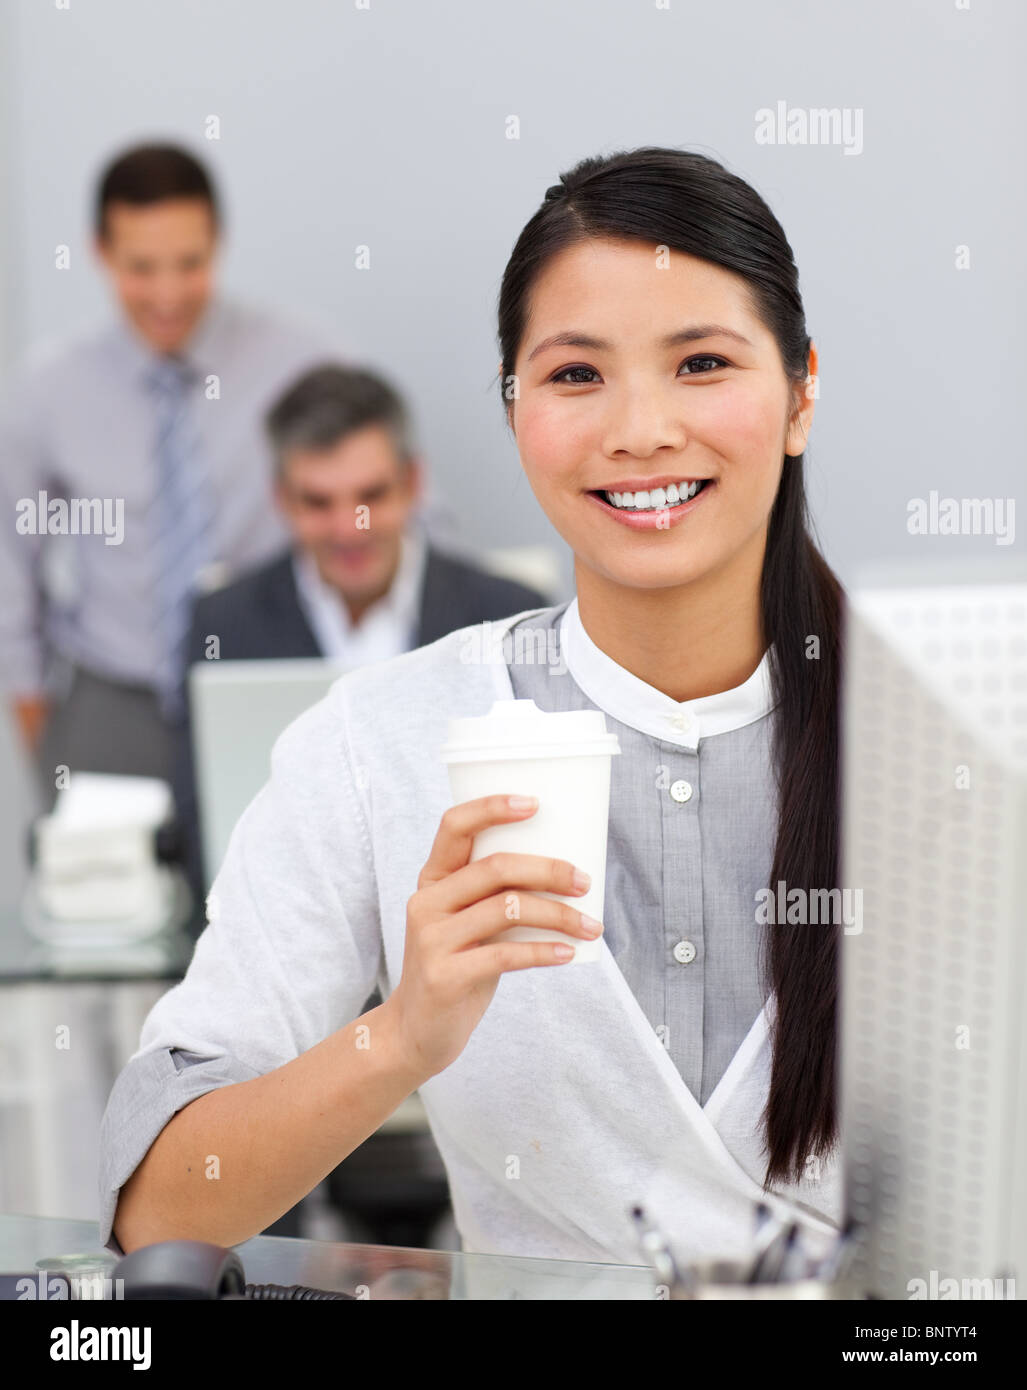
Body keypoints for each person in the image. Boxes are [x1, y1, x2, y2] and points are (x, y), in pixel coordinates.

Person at [100, 146, 844, 1272]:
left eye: (700, 361)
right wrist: (396, 1040)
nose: (639, 429)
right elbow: (160, 1208)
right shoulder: (378, 740)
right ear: (511, 409)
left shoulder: (951, 736)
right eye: (575, 375)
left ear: (798, 392)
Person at [0, 142, 343, 796]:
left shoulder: (303, 360)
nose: (167, 294)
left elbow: (393, 512)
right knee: (100, 894)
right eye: (141, 267)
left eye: (190, 264)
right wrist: (44, 731)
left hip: (268, 681)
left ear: (219, 243)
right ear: (99, 252)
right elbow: (10, 572)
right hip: (115, 695)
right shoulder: (48, 390)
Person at [174, 361, 551, 901]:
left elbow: (535, 813)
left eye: (371, 496)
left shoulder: (507, 613)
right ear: (282, 499)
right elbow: (200, 823)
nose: (350, 529)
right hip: (286, 920)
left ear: (413, 484)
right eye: (318, 502)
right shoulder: (222, 623)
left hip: (469, 922)